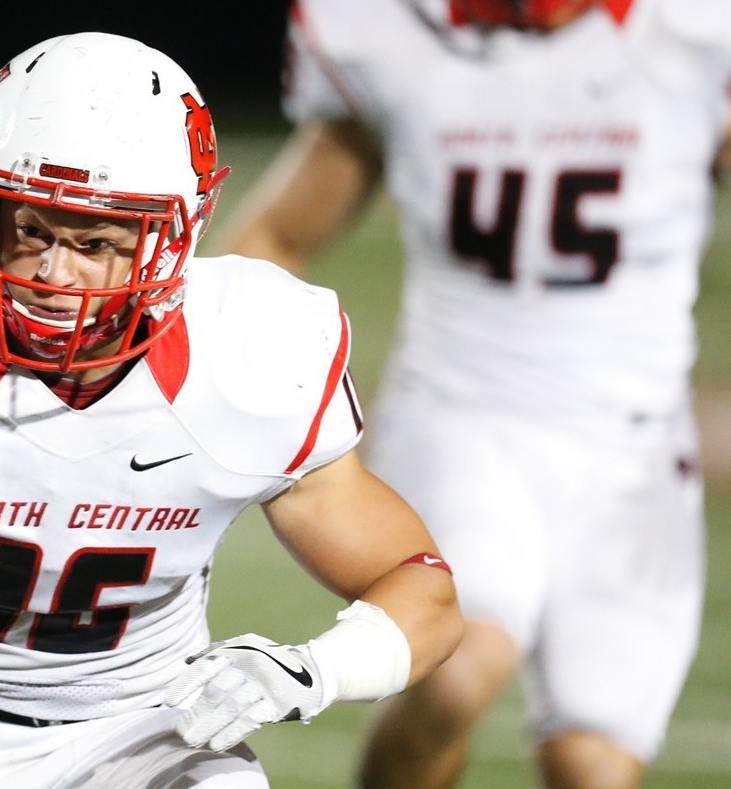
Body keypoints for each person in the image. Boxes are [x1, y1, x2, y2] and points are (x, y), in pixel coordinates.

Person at [0, 31, 461, 789]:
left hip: (155, 729)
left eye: (94, 239)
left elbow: (422, 587)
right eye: (26, 227)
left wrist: (313, 670)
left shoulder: (249, 357)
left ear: (171, 241)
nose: (51, 273)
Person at [221, 1, 731, 786]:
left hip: (634, 447)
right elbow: (277, 238)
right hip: (461, 418)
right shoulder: (396, 34)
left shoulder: (691, 33)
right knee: (457, 674)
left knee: (594, 762)